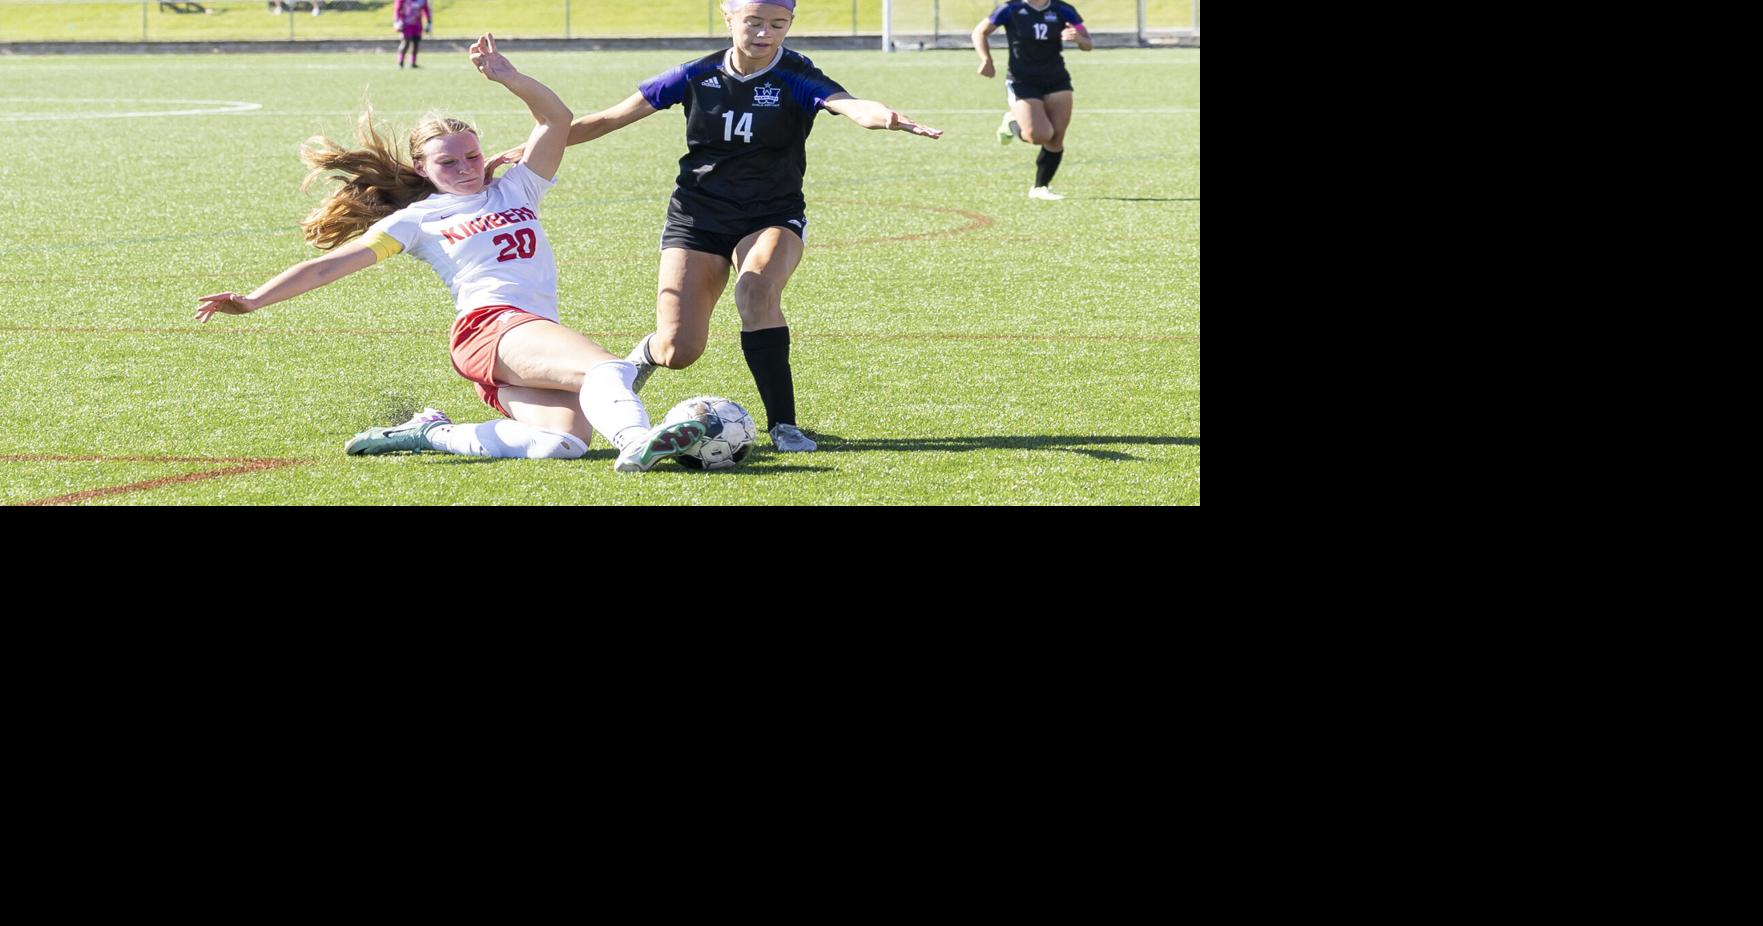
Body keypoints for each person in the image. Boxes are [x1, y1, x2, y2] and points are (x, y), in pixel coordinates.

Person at [195, 34, 709, 473]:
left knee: (564, 441)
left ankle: (429, 432)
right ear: (422, 167)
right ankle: (637, 441)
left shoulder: (518, 188)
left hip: (526, 336)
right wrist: (253, 300)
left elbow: (556, 120)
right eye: (448, 162)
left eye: (472, 155)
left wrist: (508, 76)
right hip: (489, 328)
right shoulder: (417, 219)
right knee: (606, 371)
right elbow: (328, 266)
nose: (465, 167)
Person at [515, 0, 941, 452]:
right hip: (696, 216)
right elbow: (608, 118)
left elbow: (847, 104)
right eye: (753, 22)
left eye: (777, 24)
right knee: (678, 350)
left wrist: (882, 117)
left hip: (770, 214)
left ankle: (784, 425)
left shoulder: (797, 76)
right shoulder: (695, 75)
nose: (765, 33)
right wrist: (531, 149)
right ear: (729, 17)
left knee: (756, 290)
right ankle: (642, 357)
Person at [972, 0, 1092, 200]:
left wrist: (1078, 38)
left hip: (1057, 79)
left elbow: (1088, 43)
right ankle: (1012, 123)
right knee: (1039, 135)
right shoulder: (1010, 9)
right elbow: (979, 32)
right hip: (1022, 81)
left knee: (1056, 138)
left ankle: (1040, 187)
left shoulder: (1063, 9)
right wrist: (986, 59)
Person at [393, 0, 433, 69]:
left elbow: (426, 9)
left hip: (417, 24)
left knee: (416, 43)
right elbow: (397, 9)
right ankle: (400, 61)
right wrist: (397, 21)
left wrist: (429, 22)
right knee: (406, 42)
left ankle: (412, 62)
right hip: (405, 23)